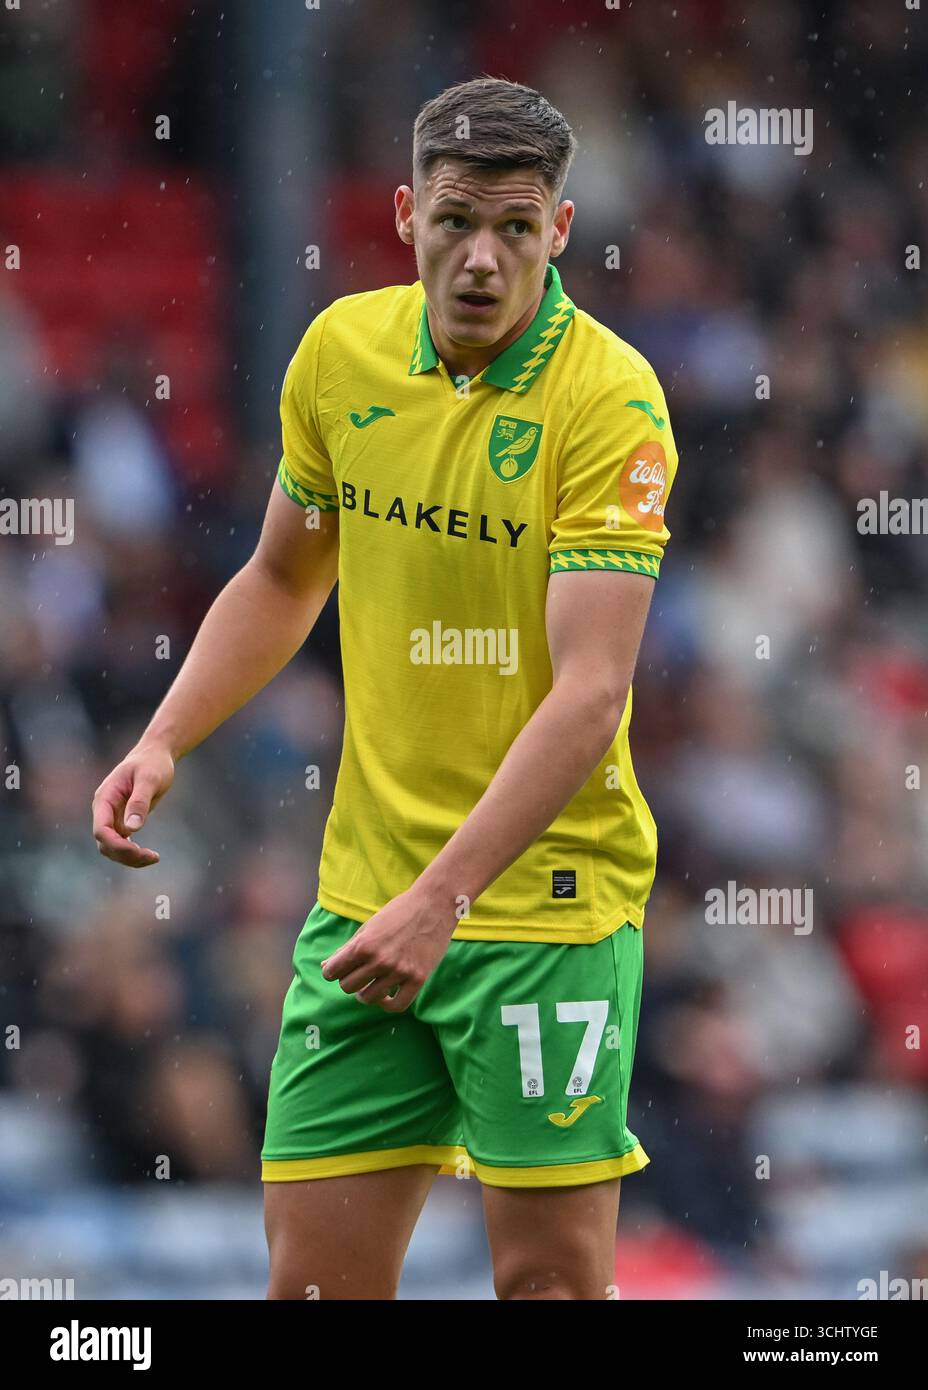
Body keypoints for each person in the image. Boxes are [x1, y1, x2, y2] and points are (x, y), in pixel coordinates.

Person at [92, 76, 680, 1300]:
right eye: (457, 221)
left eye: (515, 228)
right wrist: (164, 739)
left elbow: (590, 693)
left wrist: (446, 898)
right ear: (407, 213)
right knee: (312, 1289)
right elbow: (279, 577)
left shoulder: (608, 400)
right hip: (363, 907)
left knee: (550, 1288)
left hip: (540, 914)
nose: (481, 259)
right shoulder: (341, 354)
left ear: (558, 234)